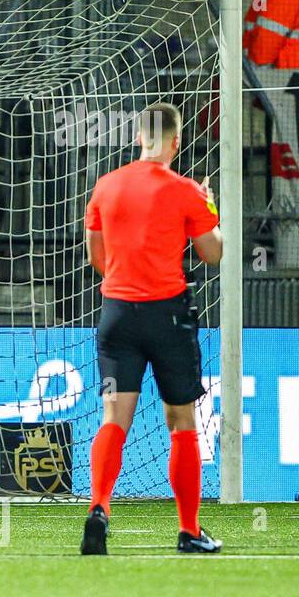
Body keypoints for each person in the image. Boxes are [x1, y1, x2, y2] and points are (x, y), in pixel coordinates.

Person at [82, 102, 224, 556]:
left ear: (138, 137)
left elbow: (97, 259)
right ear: (176, 142)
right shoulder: (185, 192)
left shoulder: (107, 186)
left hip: (117, 314)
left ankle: (99, 509)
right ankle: (188, 530)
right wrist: (209, 204)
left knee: (113, 418)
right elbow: (211, 253)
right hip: (167, 317)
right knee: (181, 421)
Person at [245, 0, 299, 272]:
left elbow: (258, 43)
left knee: (290, 181)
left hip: (284, 88)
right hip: (295, 88)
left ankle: (292, 264)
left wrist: (257, 83)